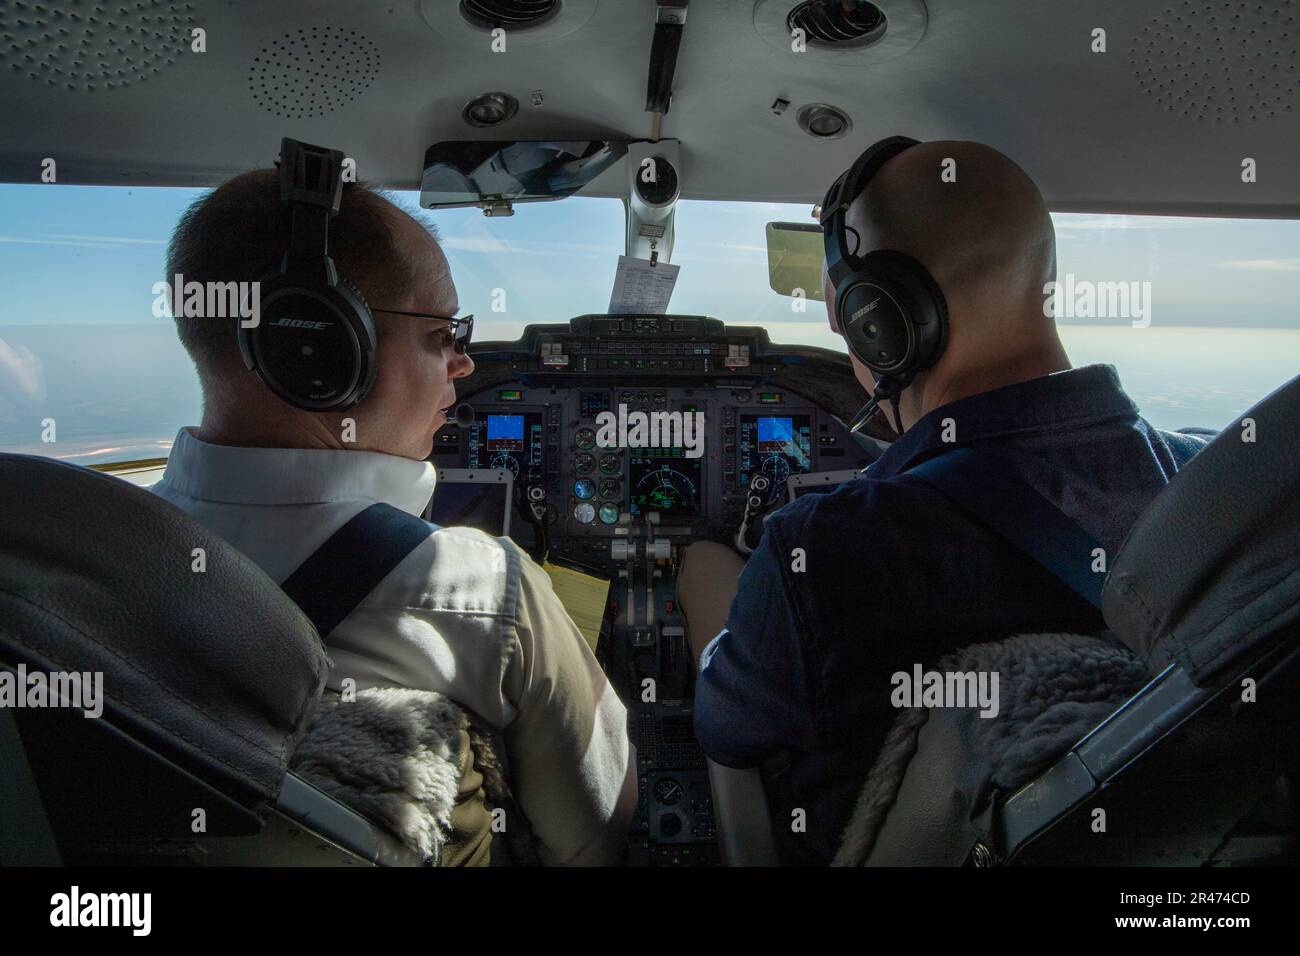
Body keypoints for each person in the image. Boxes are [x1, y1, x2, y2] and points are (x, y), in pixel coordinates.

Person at [678, 140, 1208, 864]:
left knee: (704, 566)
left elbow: (726, 731)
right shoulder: (1219, 494)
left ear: (881, 322)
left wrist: (726, 601)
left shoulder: (826, 552)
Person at [152, 169, 636, 865]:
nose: (464, 363)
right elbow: (597, 829)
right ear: (316, 347)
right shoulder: (484, 589)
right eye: (443, 332)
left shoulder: (88, 554)